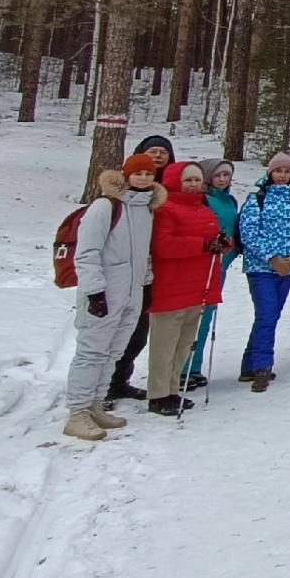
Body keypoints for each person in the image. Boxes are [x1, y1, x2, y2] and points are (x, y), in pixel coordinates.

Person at [62, 153, 163, 441]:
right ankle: (77, 412)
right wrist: (94, 290)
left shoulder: (146, 209)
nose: (143, 178)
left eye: (148, 173)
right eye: (138, 173)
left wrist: (145, 285)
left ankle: (96, 402)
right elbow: (87, 252)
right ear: (126, 175)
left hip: (131, 294)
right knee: (91, 352)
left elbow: (142, 255)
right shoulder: (105, 207)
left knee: (113, 352)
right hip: (103, 293)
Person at [146, 161, 228, 416]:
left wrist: (223, 242)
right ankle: (158, 393)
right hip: (172, 286)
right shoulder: (166, 208)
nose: (193, 185)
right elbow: (164, 246)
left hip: (198, 285)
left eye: (196, 180)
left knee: (184, 343)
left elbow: (213, 238)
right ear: (175, 182)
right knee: (165, 344)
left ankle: (172, 388)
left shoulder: (203, 208)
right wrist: (203, 245)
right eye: (188, 180)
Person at [105, 133, 177, 403]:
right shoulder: (117, 195)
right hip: (121, 271)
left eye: (163, 153)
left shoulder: (168, 192)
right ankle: (101, 385)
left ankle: (120, 379)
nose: (158, 157)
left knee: (138, 332)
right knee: (115, 331)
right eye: (152, 152)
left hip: (151, 270)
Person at [235, 152, 290, 393]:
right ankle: (262, 367)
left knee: (270, 317)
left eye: (287, 172)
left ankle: (250, 363)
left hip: (288, 268)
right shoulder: (256, 199)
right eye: (279, 171)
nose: (283, 176)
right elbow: (249, 234)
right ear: (270, 173)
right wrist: (272, 258)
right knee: (266, 315)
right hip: (261, 268)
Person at [179, 158, 242, 392]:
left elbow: (233, 230)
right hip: (201, 264)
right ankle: (182, 367)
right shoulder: (204, 200)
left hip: (220, 265)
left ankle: (195, 366)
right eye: (218, 176)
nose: (223, 180)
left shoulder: (230, 200)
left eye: (226, 175)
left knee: (207, 316)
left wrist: (233, 250)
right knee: (193, 316)